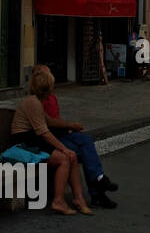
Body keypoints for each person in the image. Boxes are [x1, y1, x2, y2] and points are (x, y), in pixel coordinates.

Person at [28, 65, 118, 208]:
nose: (51, 79)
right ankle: (98, 193)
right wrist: (70, 125)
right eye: (47, 76)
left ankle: (99, 179)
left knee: (86, 141)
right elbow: (48, 123)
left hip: (61, 133)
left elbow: (55, 119)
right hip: (50, 137)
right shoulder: (35, 101)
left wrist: (68, 127)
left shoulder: (51, 98)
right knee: (81, 152)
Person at [7, 70, 92, 215]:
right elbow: (44, 132)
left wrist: (70, 125)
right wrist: (64, 149)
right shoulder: (33, 103)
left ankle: (79, 199)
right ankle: (58, 201)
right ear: (48, 89)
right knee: (64, 159)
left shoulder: (35, 101)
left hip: (32, 139)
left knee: (73, 157)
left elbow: (49, 121)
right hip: (24, 142)